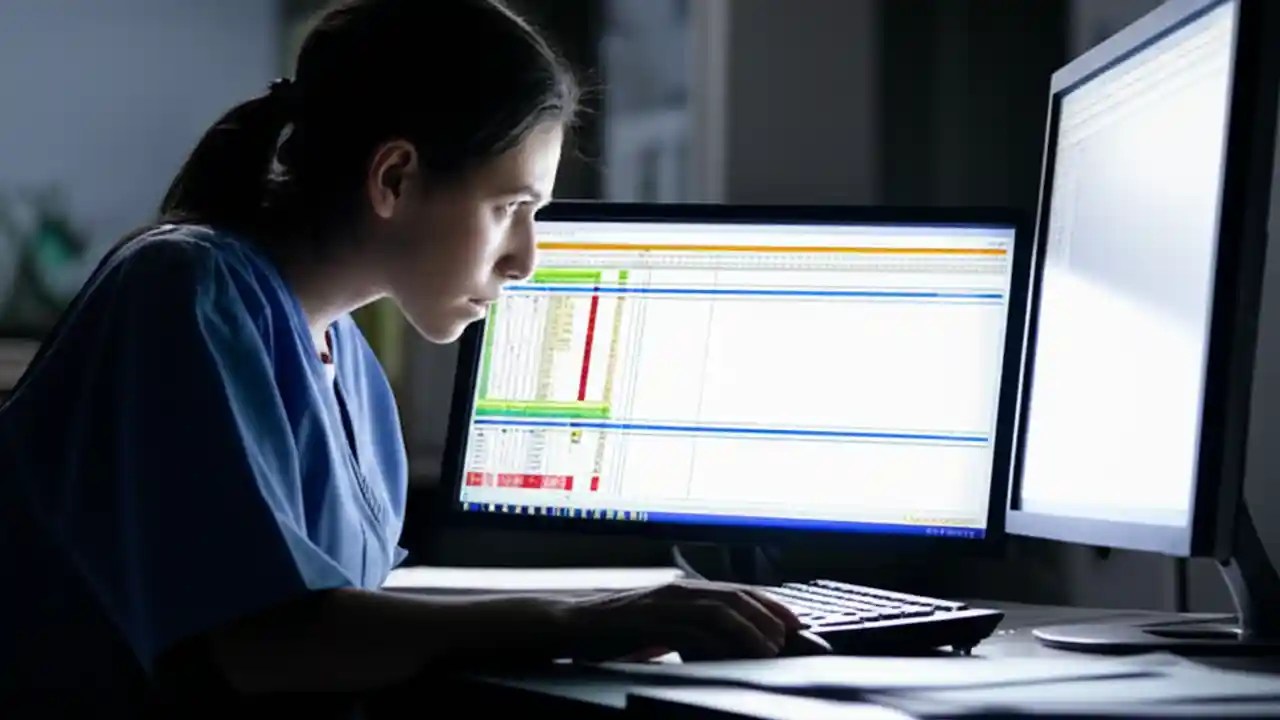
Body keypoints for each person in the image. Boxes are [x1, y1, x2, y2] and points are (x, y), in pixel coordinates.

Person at [0, 0, 815, 711]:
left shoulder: (347, 362)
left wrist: (605, 607)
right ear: (393, 178)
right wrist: (575, 622)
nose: (526, 259)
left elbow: (344, 606)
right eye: (510, 207)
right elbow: (259, 642)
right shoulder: (186, 289)